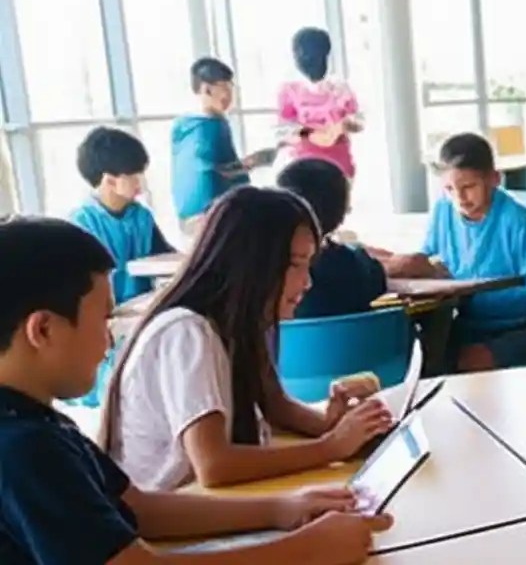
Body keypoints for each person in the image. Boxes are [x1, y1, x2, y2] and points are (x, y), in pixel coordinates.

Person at [0, 217, 391, 565]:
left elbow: (137, 509)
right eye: (104, 318)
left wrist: (282, 509)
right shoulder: (23, 447)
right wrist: (304, 551)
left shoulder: (36, 421)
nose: (107, 342)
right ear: (44, 330)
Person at [100, 187, 394, 491]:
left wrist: (334, 425)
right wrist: (330, 447)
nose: (307, 282)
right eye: (295, 264)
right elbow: (214, 465)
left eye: (309, 264)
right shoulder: (187, 331)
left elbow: (275, 405)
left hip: (205, 502)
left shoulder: (241, 323)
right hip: (172, 515)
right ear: (251, 263)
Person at [375, 134, 526, 372]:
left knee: (466, 362)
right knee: (416, 359)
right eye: (449, 189)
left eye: (468, 187)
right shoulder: (443, 210)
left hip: (525, 329)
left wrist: (469, 300)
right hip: (466, 326)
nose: (459, 198)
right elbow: (430, 257)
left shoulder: (519, 222)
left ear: (494, 179)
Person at [69, 127, 173, 303]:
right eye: (134, 176)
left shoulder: (142, 216)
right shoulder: (82, 224)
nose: (141, 182)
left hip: (144, 307)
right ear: (110, 181)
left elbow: (164, 256)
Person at [171, 57, 272, 235]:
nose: (229, 95)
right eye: (224, 88)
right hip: (214, 213)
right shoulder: (212, 126)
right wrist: (257, 161)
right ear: (206, 89)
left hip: (188, 214)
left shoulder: (182, 126)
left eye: (230, 87)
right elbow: (221, 171)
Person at [277, 158, 387, 319]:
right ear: (342, 213)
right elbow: (380, 282)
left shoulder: (269, 270)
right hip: (360, 344)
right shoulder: (359, 265)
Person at [278, 28, 363, 180]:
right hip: (303, 163)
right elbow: (284, 128)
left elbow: (359, 121)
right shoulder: (290, 89)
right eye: (298, 53)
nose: (304, 58)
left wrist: (342, 126)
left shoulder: (340, 87)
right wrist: (309, 134)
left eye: (310, 52)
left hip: (339, 163)